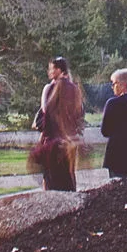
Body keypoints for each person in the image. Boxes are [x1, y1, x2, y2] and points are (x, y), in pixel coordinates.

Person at [35, 57, 85, 192]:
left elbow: (46, 112)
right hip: (70, 138)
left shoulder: (49, 88)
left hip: (52, 138)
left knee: (51, 175)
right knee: (68, 173)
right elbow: (79, 112)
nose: (49, 72)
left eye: (51, 68)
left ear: (59, 69)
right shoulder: (74, 89)